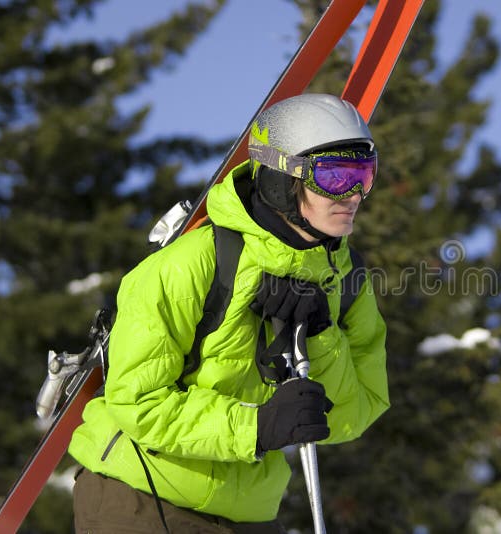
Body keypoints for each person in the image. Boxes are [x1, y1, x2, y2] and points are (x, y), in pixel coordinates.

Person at [68, 93, 390, 533]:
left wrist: (319, 333)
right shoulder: (191, 264)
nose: (353, 195)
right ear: (280, 179)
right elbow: (136, 402)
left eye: (364, 176)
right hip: (142, 493)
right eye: (334, 177)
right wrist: (255, 427)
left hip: (249, 513)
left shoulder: (345, 281)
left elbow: (355, 414)